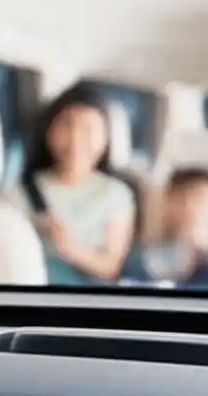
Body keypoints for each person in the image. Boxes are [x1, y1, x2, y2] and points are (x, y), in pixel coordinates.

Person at [13, 84, 137, 286]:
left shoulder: (116, 194)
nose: (75, 139)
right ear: (49, 131)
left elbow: (110, 267)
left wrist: (69, 248)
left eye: (88, 129)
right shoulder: (22, 191)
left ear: (105, 137)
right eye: (67, 125)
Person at [123, 167, 208, 291]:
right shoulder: (141, 264)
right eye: (183, 198)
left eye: (202, 198)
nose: (192, 207)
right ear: (168, 202)